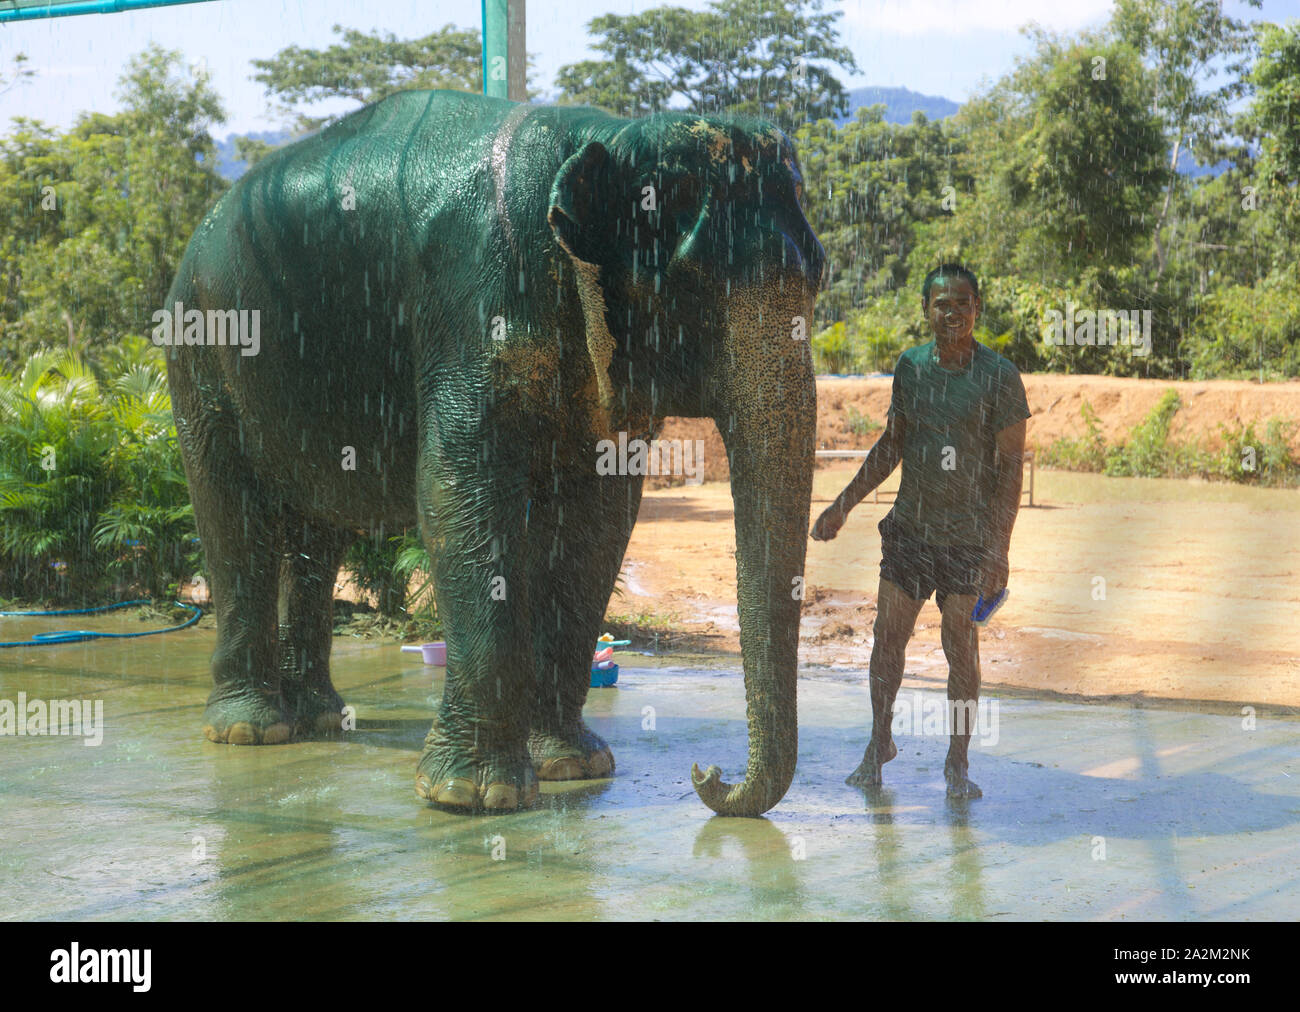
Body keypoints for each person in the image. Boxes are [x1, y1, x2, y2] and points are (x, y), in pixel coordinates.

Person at [811, 264, 1030, 799]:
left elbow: (1010, 471)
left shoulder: (999, 376)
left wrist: (999, 551)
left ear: (978, 307)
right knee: (887, 640)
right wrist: (842, 505)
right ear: (925, 310)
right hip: (910, 531)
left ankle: (957, 762)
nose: (951, 312)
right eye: (940, 303)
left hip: (968, 541)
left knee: (960, 646)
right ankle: (877, 745)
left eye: (962, 302)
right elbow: (893, 444)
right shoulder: (910, 367)